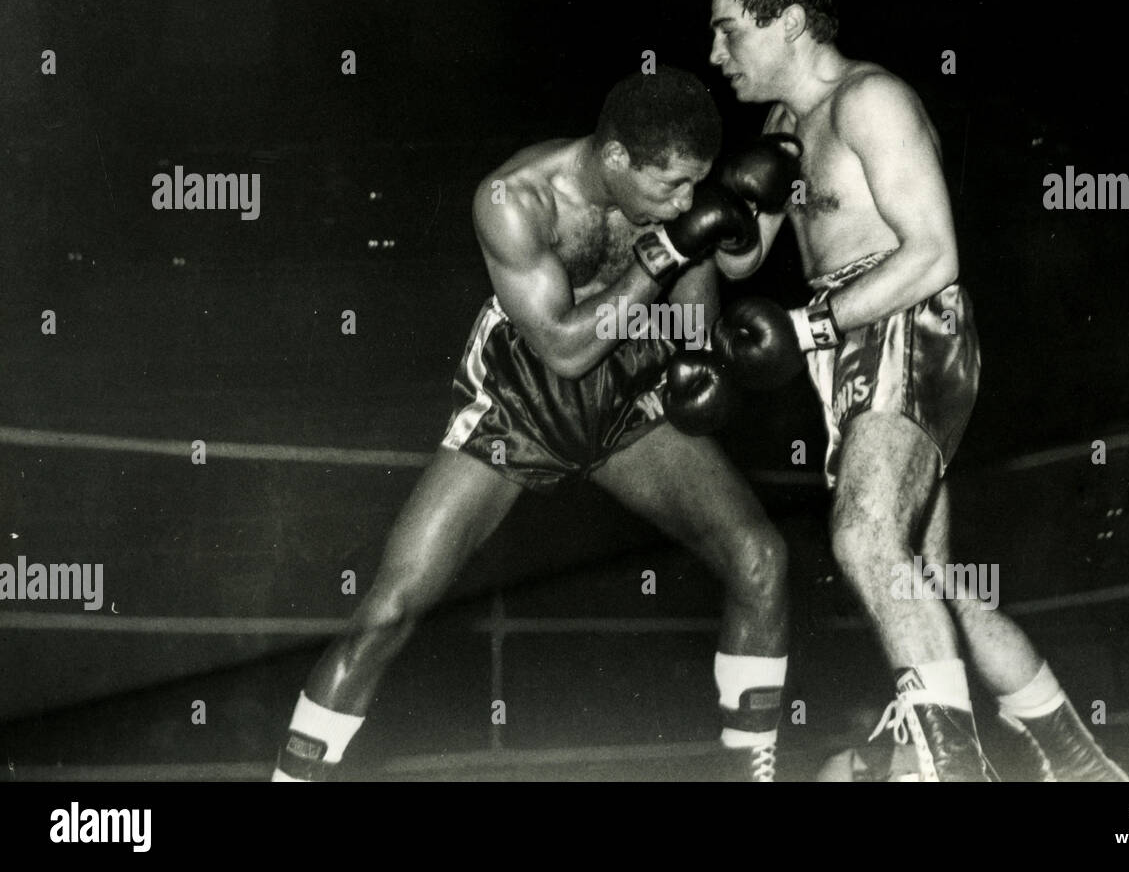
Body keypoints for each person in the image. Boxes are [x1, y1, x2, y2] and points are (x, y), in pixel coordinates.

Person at [271, 67, 793, 782]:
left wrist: (697, 356)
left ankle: (751, 775)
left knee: (760, 557)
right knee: (390, 610)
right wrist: (665, 252)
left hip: (630, 397)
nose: (682, 201)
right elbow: (566, 350)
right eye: (667, 187)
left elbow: (692, 293)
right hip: (525, 398)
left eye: (690, 189)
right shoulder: (514, 199)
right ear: (615, 159)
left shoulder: (676, 185)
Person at [698, 0, 1129, 781]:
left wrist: (810, 329)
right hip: (844, 343)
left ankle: (951, 771)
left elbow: (934, 255)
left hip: (906, 322)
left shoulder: (872, 102)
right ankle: (1084, 765)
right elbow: (750, 262)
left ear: (787, 21)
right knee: (927, 585)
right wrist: (726, 219)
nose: (715, 55)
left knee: (862, 537)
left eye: (726, 32)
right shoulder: (783, 128)